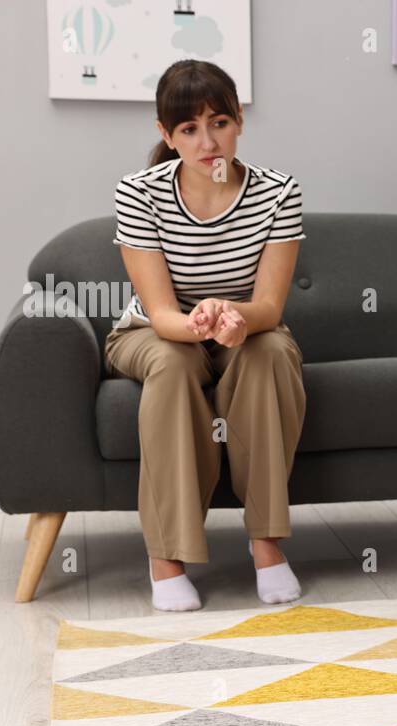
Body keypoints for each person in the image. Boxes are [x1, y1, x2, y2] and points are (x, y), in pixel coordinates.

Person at [107, 59, 306, 611]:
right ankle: (166, 557)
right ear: (166, 135)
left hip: (248, 329)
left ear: (239, 119)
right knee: (172, 365)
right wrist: (197, 324)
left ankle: (266, 543)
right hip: (158, 331)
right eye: (189, 129)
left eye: (218, 122)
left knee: (268, 356)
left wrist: (234, 319)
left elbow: (268, 306)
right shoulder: (138, 193)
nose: (207, 141)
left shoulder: (278, 192)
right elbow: (161, 311)